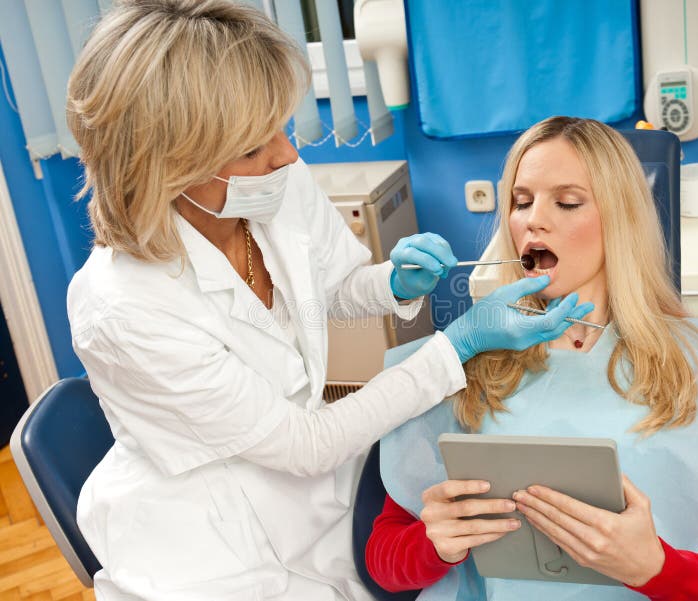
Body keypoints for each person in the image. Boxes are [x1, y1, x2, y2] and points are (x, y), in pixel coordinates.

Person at [63, 2, 593, 600]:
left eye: (280, 128)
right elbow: (304, 445)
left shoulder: (267, 186)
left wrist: (392, 283)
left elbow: (331, 290)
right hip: (210, 545)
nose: (286, 155)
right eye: (251, 146)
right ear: (166, 163)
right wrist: (459, 343)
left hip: (317, 490)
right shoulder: (124, 309)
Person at [366, 116, 698, 601]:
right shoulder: (461, 364)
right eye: (521, 202)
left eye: (567, 202)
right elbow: (383, 560)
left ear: (620, 219)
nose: (532, 220)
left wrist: (655, 568)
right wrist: (430, 544)